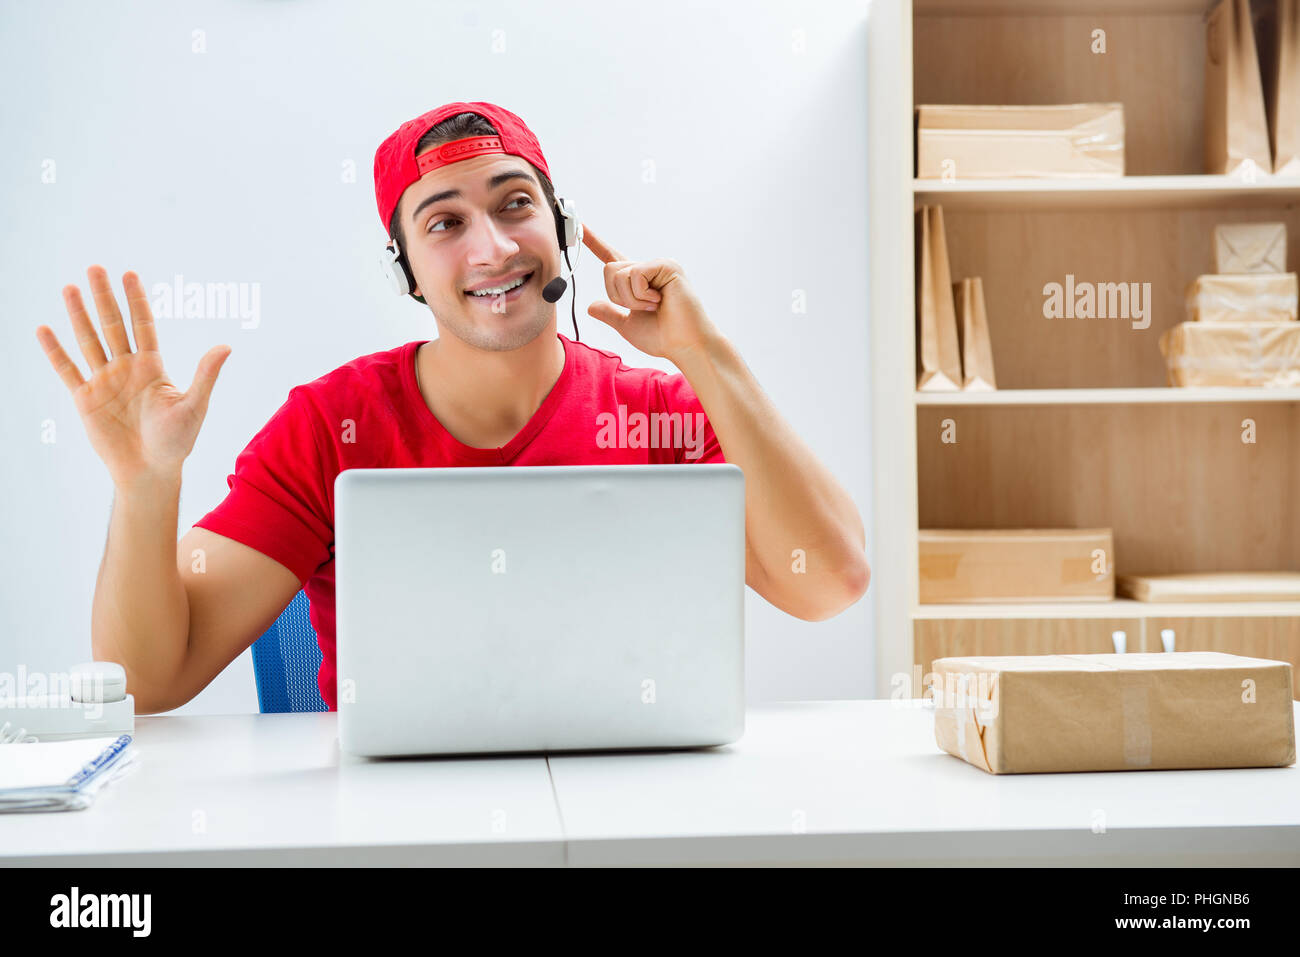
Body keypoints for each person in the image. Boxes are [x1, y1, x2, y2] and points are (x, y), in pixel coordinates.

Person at [34, 101, 870, 714]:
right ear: (407, 271)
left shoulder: (654, 409)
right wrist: (145, 488)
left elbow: (830, 583)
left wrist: (706, 355)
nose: (492, 247)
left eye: (515, 203)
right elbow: (145, 682)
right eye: (445, 222)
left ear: (562, 227)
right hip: (385, 825)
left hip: (630, 808)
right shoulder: (332, 426)